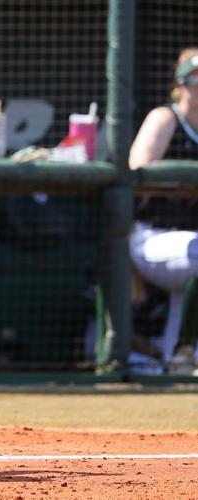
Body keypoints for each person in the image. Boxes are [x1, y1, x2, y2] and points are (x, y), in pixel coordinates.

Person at [128, 47, 198, 370]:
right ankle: (185, 347)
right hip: (152, 236)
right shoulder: (166, 118)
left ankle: (176, 358)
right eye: (195, 79)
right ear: (180, 84)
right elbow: (137, 170)